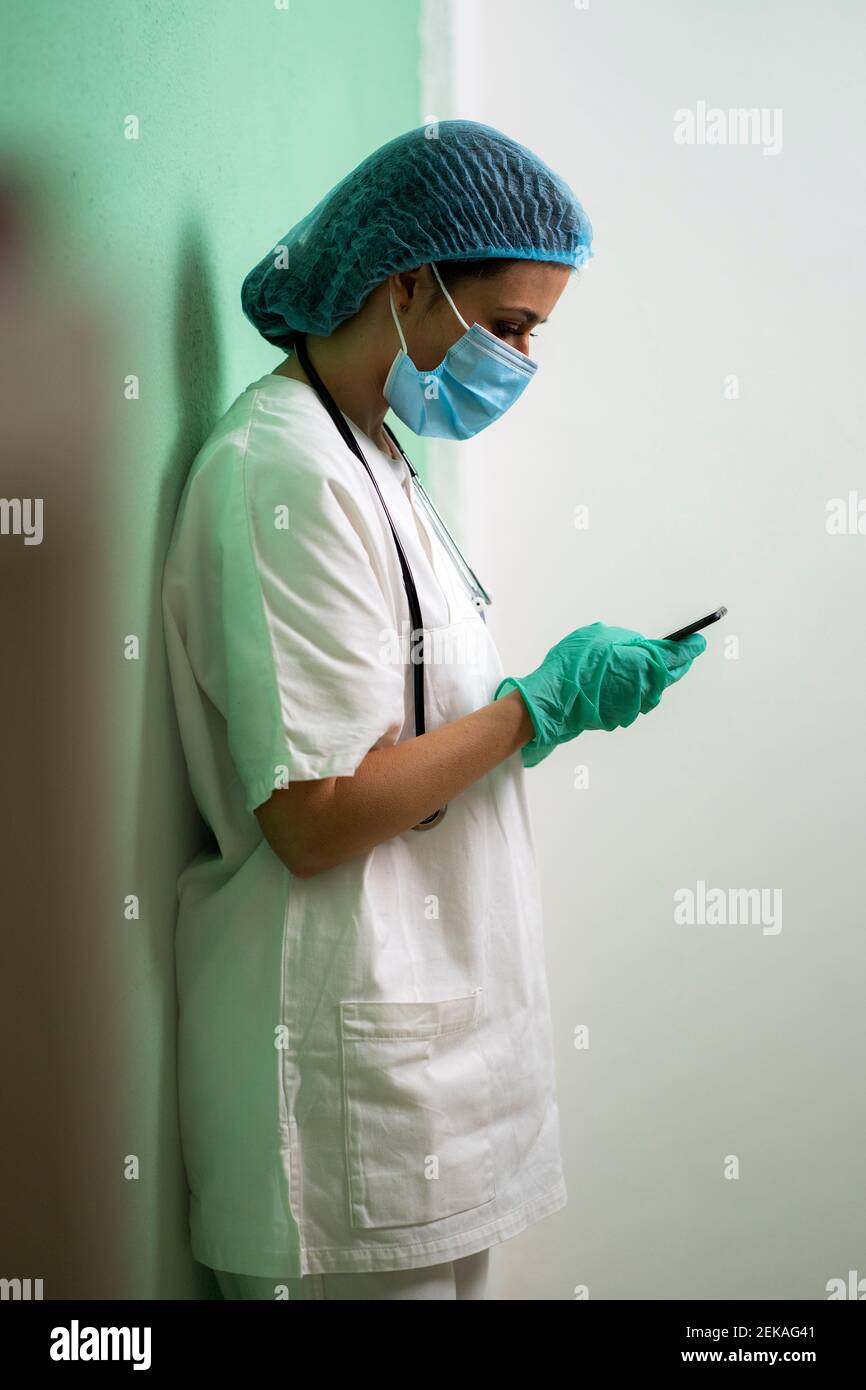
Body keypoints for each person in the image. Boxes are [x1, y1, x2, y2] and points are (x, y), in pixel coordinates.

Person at [161, 119, 706, 1302]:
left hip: (429, 1072)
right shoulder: (283, 470)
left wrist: (540, 710)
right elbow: (314, 815)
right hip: (347, 1088)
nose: (519, 358)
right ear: (406, 281)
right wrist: (535, 709)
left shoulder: (373, 455)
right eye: (508, 325)